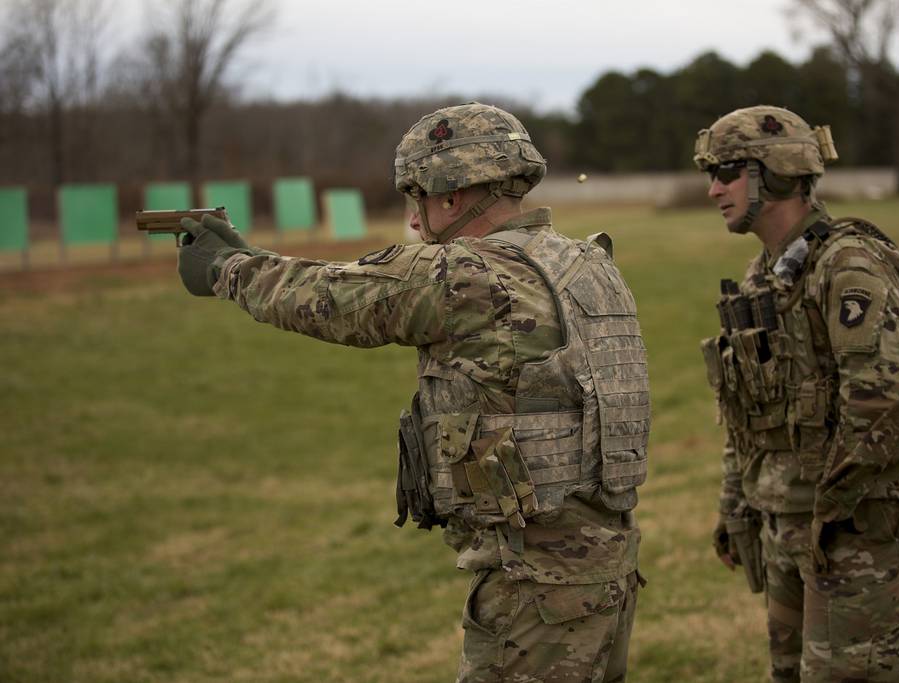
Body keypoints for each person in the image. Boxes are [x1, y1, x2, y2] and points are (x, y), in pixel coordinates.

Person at [176, 102, 648, 683]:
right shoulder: (589, 263)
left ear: (450, 195)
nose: (415, 218)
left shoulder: (467, 275)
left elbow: (330, 298)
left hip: (534, 592)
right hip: (605, 570)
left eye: (416, 195)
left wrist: (229, 266)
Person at [694, 105, 899, 682]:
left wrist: (826, 512)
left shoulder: (847, 263)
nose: (714, 188)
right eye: (712, 172)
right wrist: (736, 503)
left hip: (854, 523)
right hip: (789, 521)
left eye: (729, 171)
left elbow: (885, 399)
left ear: (778, 172)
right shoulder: (765, 274)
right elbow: (748, 409)